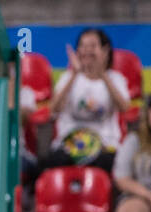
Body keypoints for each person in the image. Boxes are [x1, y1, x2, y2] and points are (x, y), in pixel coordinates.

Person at [40, 27, 129, 176]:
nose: (87, 51)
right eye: (82, 46)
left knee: (110, 163)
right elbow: (53, 109)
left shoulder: (116, 79)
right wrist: (74, 74)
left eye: (93, 46)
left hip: (104, 146)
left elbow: (124, 108)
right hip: (69, 145)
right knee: (48, 163)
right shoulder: (67, 77)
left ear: (105, 50)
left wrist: (103, 75)